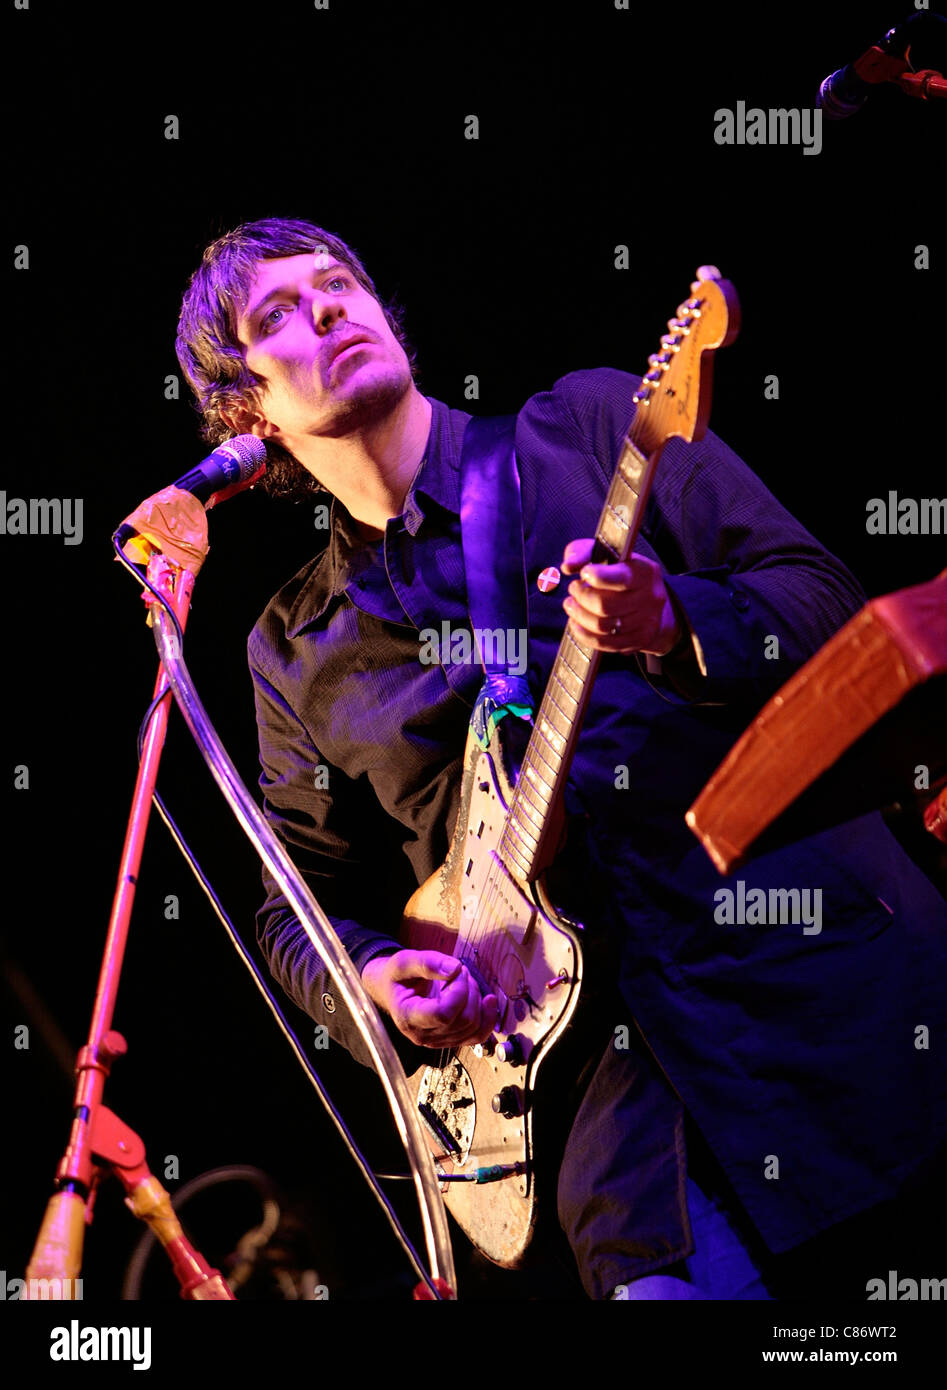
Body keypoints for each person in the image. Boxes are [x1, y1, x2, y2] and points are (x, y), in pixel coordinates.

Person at [175, 218, 947, 1300]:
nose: (328, 311)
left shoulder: (587, 427)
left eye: (339, 283)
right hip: (596, 1102)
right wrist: (373, 982)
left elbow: (820, 603)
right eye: (279, 316)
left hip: (820, 982)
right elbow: (289, 909)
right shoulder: (291, 648)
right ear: (244, 409)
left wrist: (672, 617)